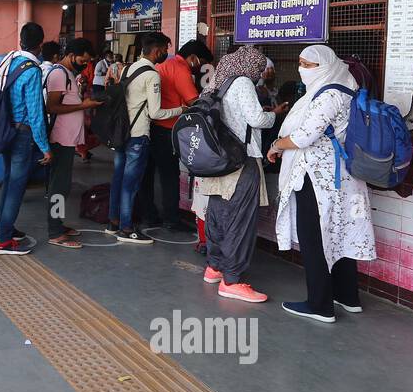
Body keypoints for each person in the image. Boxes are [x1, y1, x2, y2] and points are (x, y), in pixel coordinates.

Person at [267, 45, 377, 323]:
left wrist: (277, 145)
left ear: (326, 65)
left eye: (309, 64)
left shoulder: (329, 94)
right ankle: (347, 296)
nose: (302, 69)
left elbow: (304, 137)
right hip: (342, 177)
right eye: (300, 63)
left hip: (317, 178)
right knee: (338, 233)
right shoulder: (347, 88)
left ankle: (319, 304)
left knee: (313, 238)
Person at [197, 46, 283, 304]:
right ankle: (232, 281)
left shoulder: (219, 79)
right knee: (240, 219)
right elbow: (256, 119)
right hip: (240, 159)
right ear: (250, 66)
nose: (259, 74)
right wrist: (274, 114)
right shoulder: (243, 82)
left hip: (217, 158)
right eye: (259, 68)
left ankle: (214, 268)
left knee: (218, 213)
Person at [103, 31, 181, 243]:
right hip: (137, 135)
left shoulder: (129, 68)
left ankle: (114, 222)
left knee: (119, 179)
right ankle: (127, 230)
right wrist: (180, 110)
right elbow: (155, 113)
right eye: (165, 50)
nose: (166, 53)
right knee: (131, 183)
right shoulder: (152, 75)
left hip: (122, 132)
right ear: (157, 51)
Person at [138, 38, 212, 231]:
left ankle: (149, 214)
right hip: (167, 128)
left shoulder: (163, 64)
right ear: (193, 58)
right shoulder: (181, 68)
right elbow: (193, 101)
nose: (201, 68)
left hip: (150, 126)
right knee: (169, 175)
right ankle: (171, 218)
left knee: (147, 173)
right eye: (202, 63)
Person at [0, 22, 52, 255]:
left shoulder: (10, 60)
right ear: (40, 45)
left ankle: (6, 228)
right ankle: (3, 239)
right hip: (23, 134)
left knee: (9, 181)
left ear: (21, 41)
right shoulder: (32, 70)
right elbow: (36, 112)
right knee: (17, 186)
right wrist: (45, 147)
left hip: (6, 129)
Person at [43, 37, 102, 249]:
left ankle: (58, 224)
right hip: (60, 137)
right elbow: (52, 107)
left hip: (68, 138)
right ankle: (54, 231)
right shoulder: (59, 74)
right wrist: (83, 105)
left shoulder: (68, 74)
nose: (84, 64)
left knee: (63, 185)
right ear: (71, 55)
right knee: (58, 186)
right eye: (82, 60)